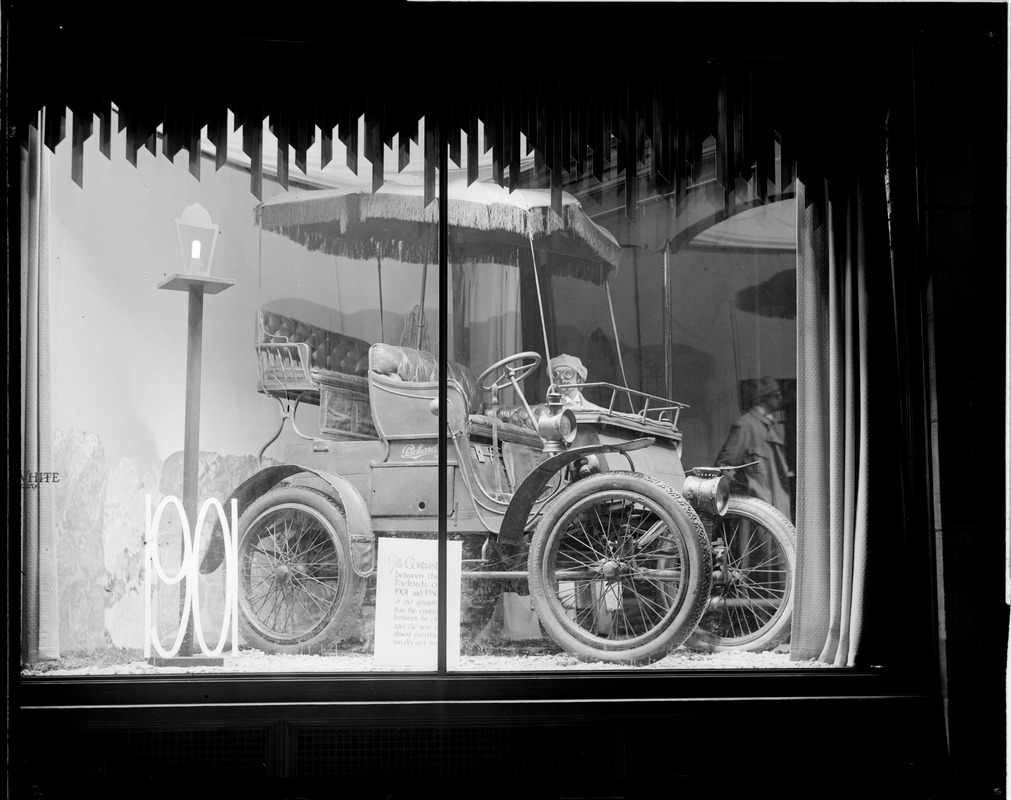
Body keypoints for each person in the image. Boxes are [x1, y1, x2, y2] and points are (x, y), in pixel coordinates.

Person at [714, 376, 793, 520]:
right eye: (777, 395)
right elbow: (723, 467)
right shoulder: (746, 425)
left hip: (777, 511)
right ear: (765, 397)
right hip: (757, 512)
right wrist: (746, 491)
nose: (781, 399)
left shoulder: (772, 427)